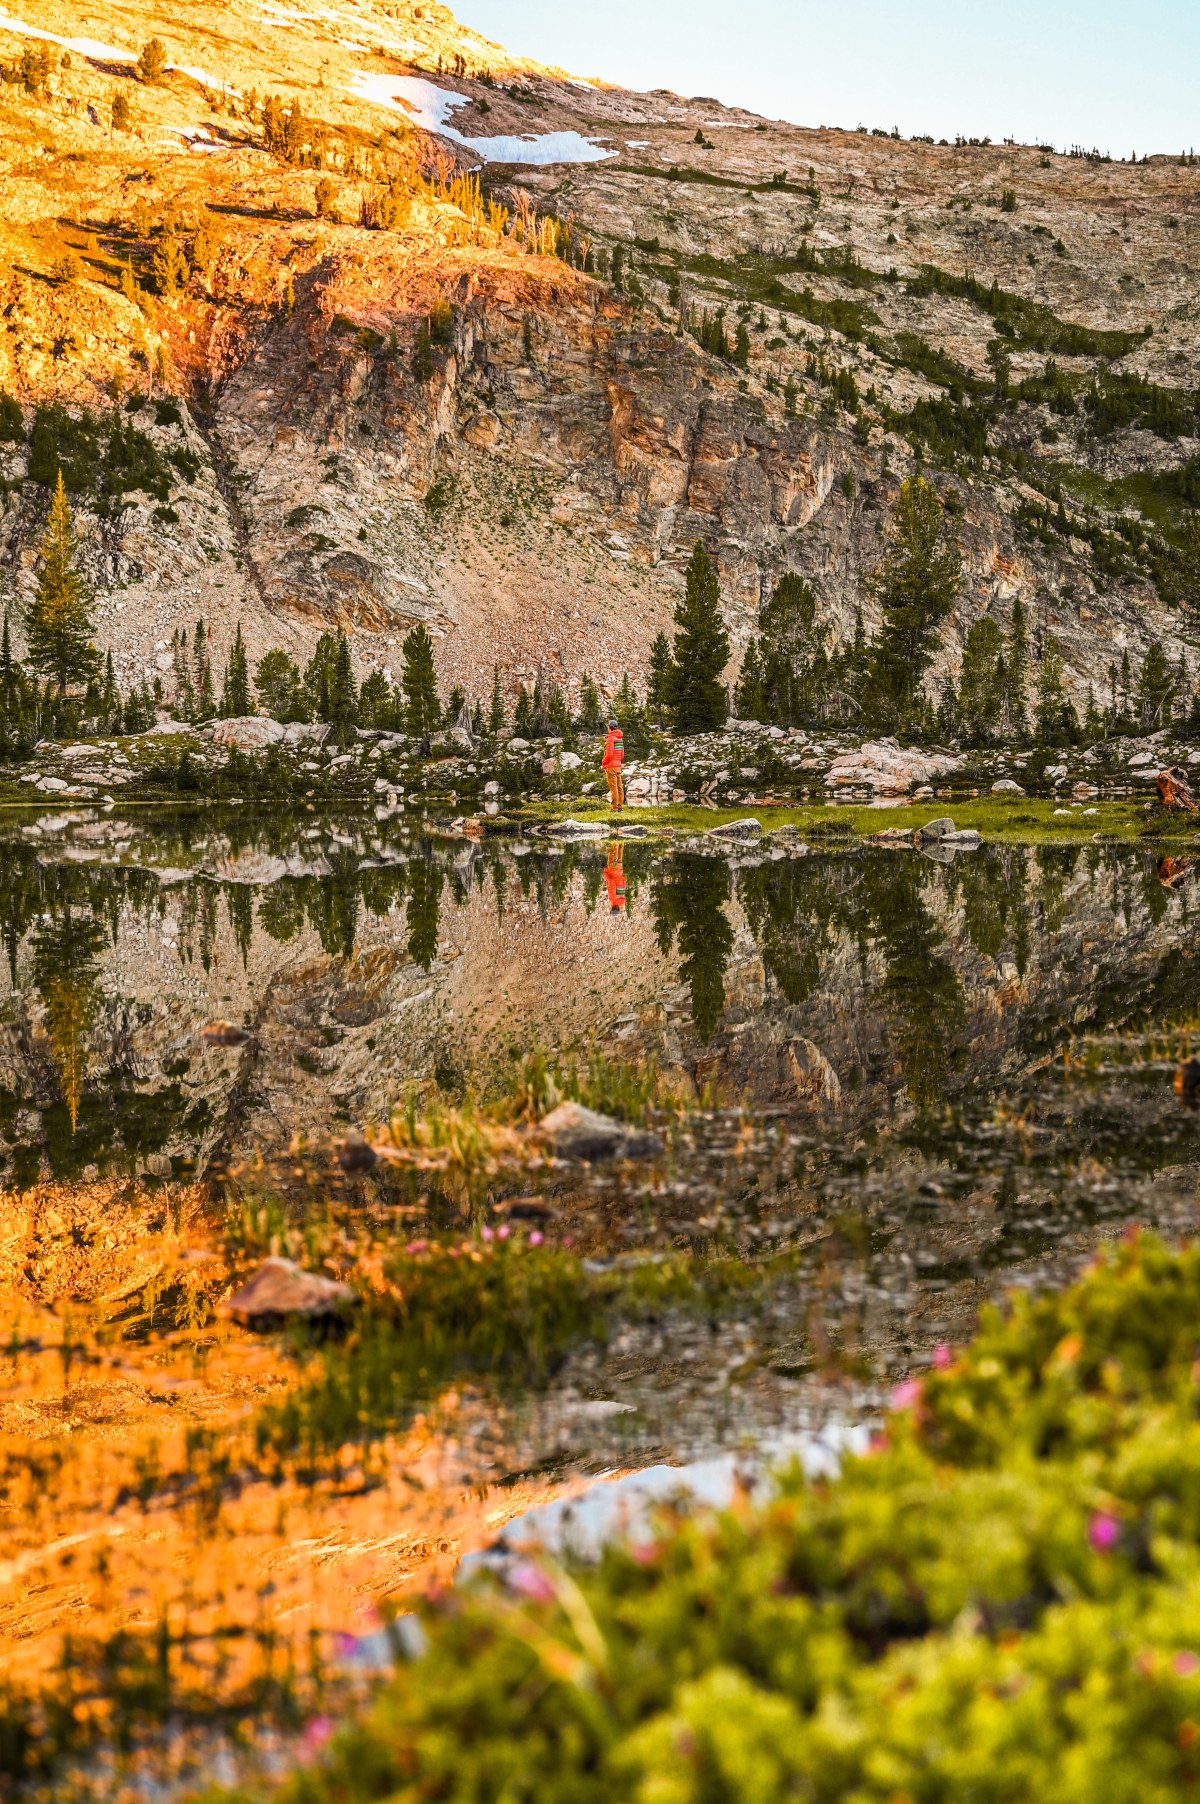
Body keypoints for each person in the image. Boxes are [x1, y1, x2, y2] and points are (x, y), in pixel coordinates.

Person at [601, 714, 624, 811]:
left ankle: (614, 808)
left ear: (609, 728)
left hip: (611, 766)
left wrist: (603, 763)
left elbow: (609, 754)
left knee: (613, 788)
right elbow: (622, 754)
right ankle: (620, 807)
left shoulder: (610, 738)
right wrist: (618, 761)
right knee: (619, 787)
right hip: (618, 766)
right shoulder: (619, 738)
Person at [603, 839, 626, 913]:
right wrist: (605, 874)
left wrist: (620, 876)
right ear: (611, 908)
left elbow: (624, 883)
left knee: (620, 851)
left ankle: (622, 838)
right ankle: (615, 836)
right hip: (613, 870)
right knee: (614, 850)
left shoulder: (621, 897)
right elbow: (611, 881)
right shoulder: (613, 898)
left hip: (619, 870)